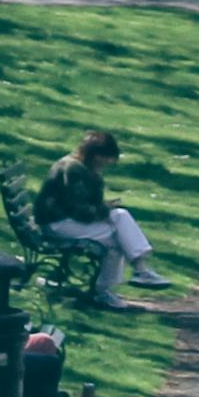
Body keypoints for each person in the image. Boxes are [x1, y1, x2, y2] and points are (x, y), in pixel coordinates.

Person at [28, 129, 156, 307]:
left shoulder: (79, 167)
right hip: (57, 224)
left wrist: (104, 208)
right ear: (96, 155)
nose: (107, 164)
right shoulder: (74, 170)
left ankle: (135, 272)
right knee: (118, 234)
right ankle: (111, 287)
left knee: (120, 220)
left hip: (61, 220)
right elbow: (79, 210)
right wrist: (104, 209)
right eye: (106, 159)